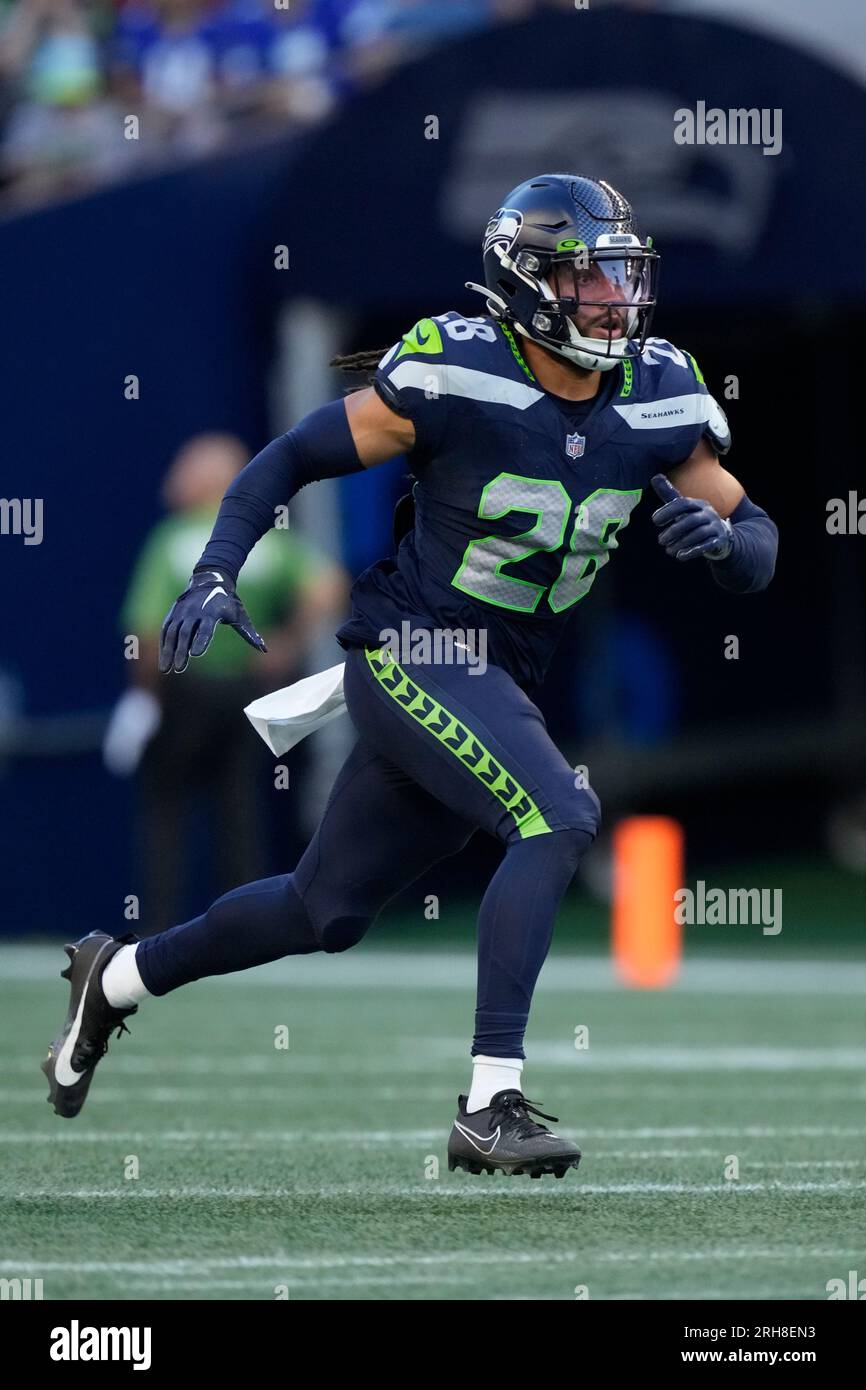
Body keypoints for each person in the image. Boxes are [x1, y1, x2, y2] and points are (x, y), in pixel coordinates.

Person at [42, 174, 778, 1178]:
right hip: (416, 649)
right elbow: (285, 460)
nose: (613, 297)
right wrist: (215, 569)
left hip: (501, 667)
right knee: (557, 812)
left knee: (321, 910)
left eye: (620, 274)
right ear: (525, 285)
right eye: (585, 276)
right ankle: (491, 1101)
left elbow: (754, 536)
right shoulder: (455, 371)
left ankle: (115, 976)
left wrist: (722, 547)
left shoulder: (656, 390)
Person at [103, 431, 347, 931]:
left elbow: (147, 630)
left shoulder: (174, 539)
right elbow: (328, 586)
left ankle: (159, 933)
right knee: (239, 809)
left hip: (185, 692)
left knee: (165, 810)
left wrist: (145, 696)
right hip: (246, 694)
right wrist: (285, 644)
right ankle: (244, 930)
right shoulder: (267, 539)